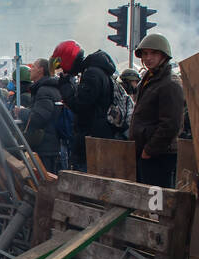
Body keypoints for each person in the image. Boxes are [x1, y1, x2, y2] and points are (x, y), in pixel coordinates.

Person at [128, 32, 185, 188]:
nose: (148, 58)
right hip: (145, 152)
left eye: (153, 53)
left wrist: (149, 150)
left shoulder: (170, 83)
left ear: (164, 56)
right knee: (146, 201)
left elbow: (170, 124)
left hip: (160, 155)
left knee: (157, 204)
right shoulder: (148, 79)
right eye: (145, 53)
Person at [53, 39, 117, 172]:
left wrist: (65, 86)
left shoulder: (91, 74)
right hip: (97, 137)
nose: (63, 71)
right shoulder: (97, 71)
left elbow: (80, 105)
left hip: (91, 138)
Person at [17, 61, 64, 175]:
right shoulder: (49, 88)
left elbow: (39, 117)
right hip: (51, 144)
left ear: (41, 70)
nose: (30, 69)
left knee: (45, 182)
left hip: (45, 146)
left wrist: (22, 112)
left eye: (33, 67)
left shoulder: (44, 90)